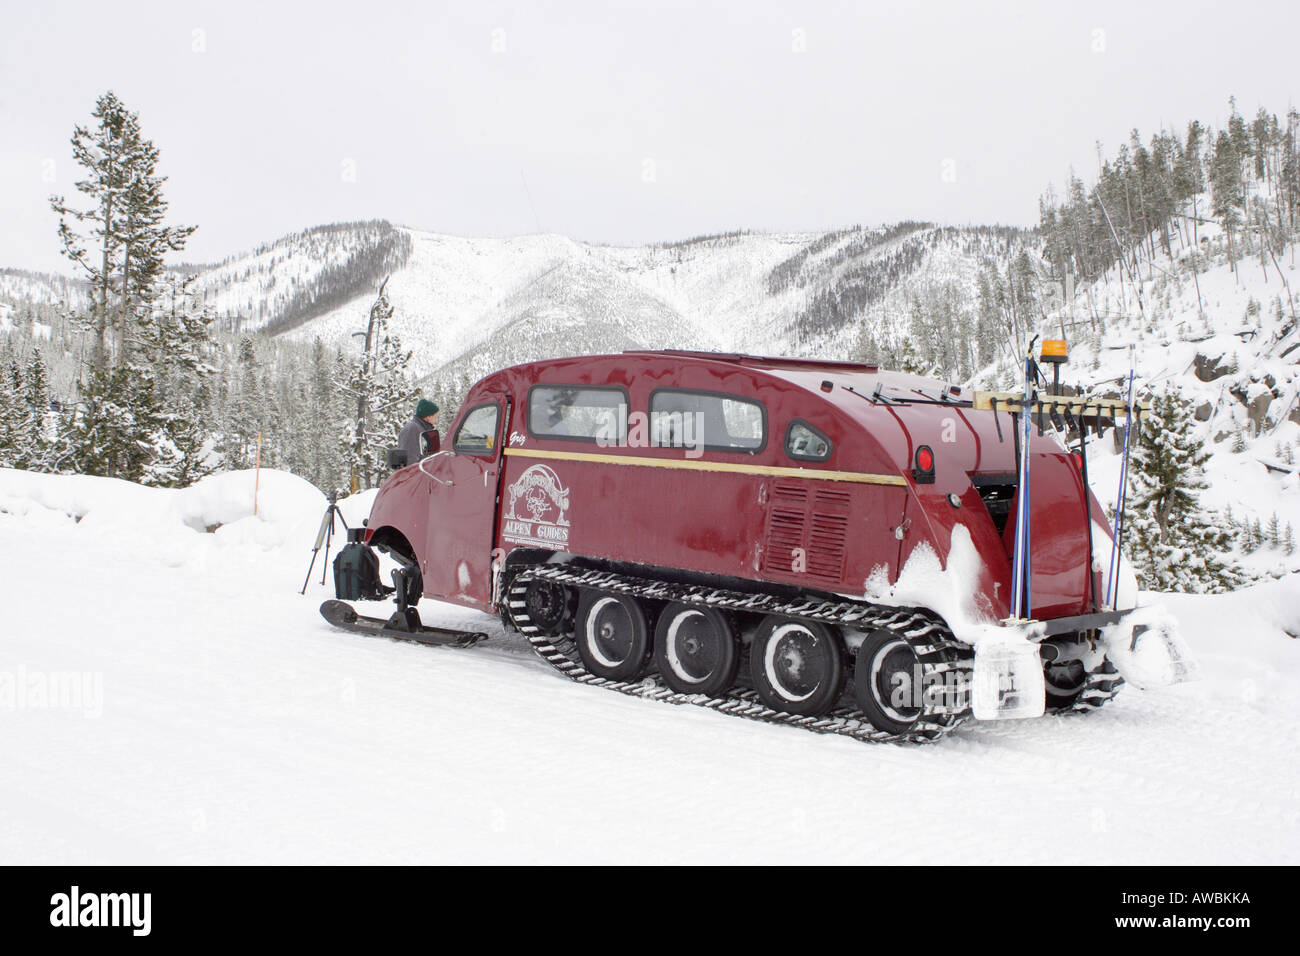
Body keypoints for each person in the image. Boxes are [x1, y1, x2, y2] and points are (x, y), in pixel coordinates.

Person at [398, 398, 440, 464]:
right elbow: (409, 459)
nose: (437, 419)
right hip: (416, 473)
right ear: (428, 416)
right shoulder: (412, 429)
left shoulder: (424, 429)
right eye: (436, 416)